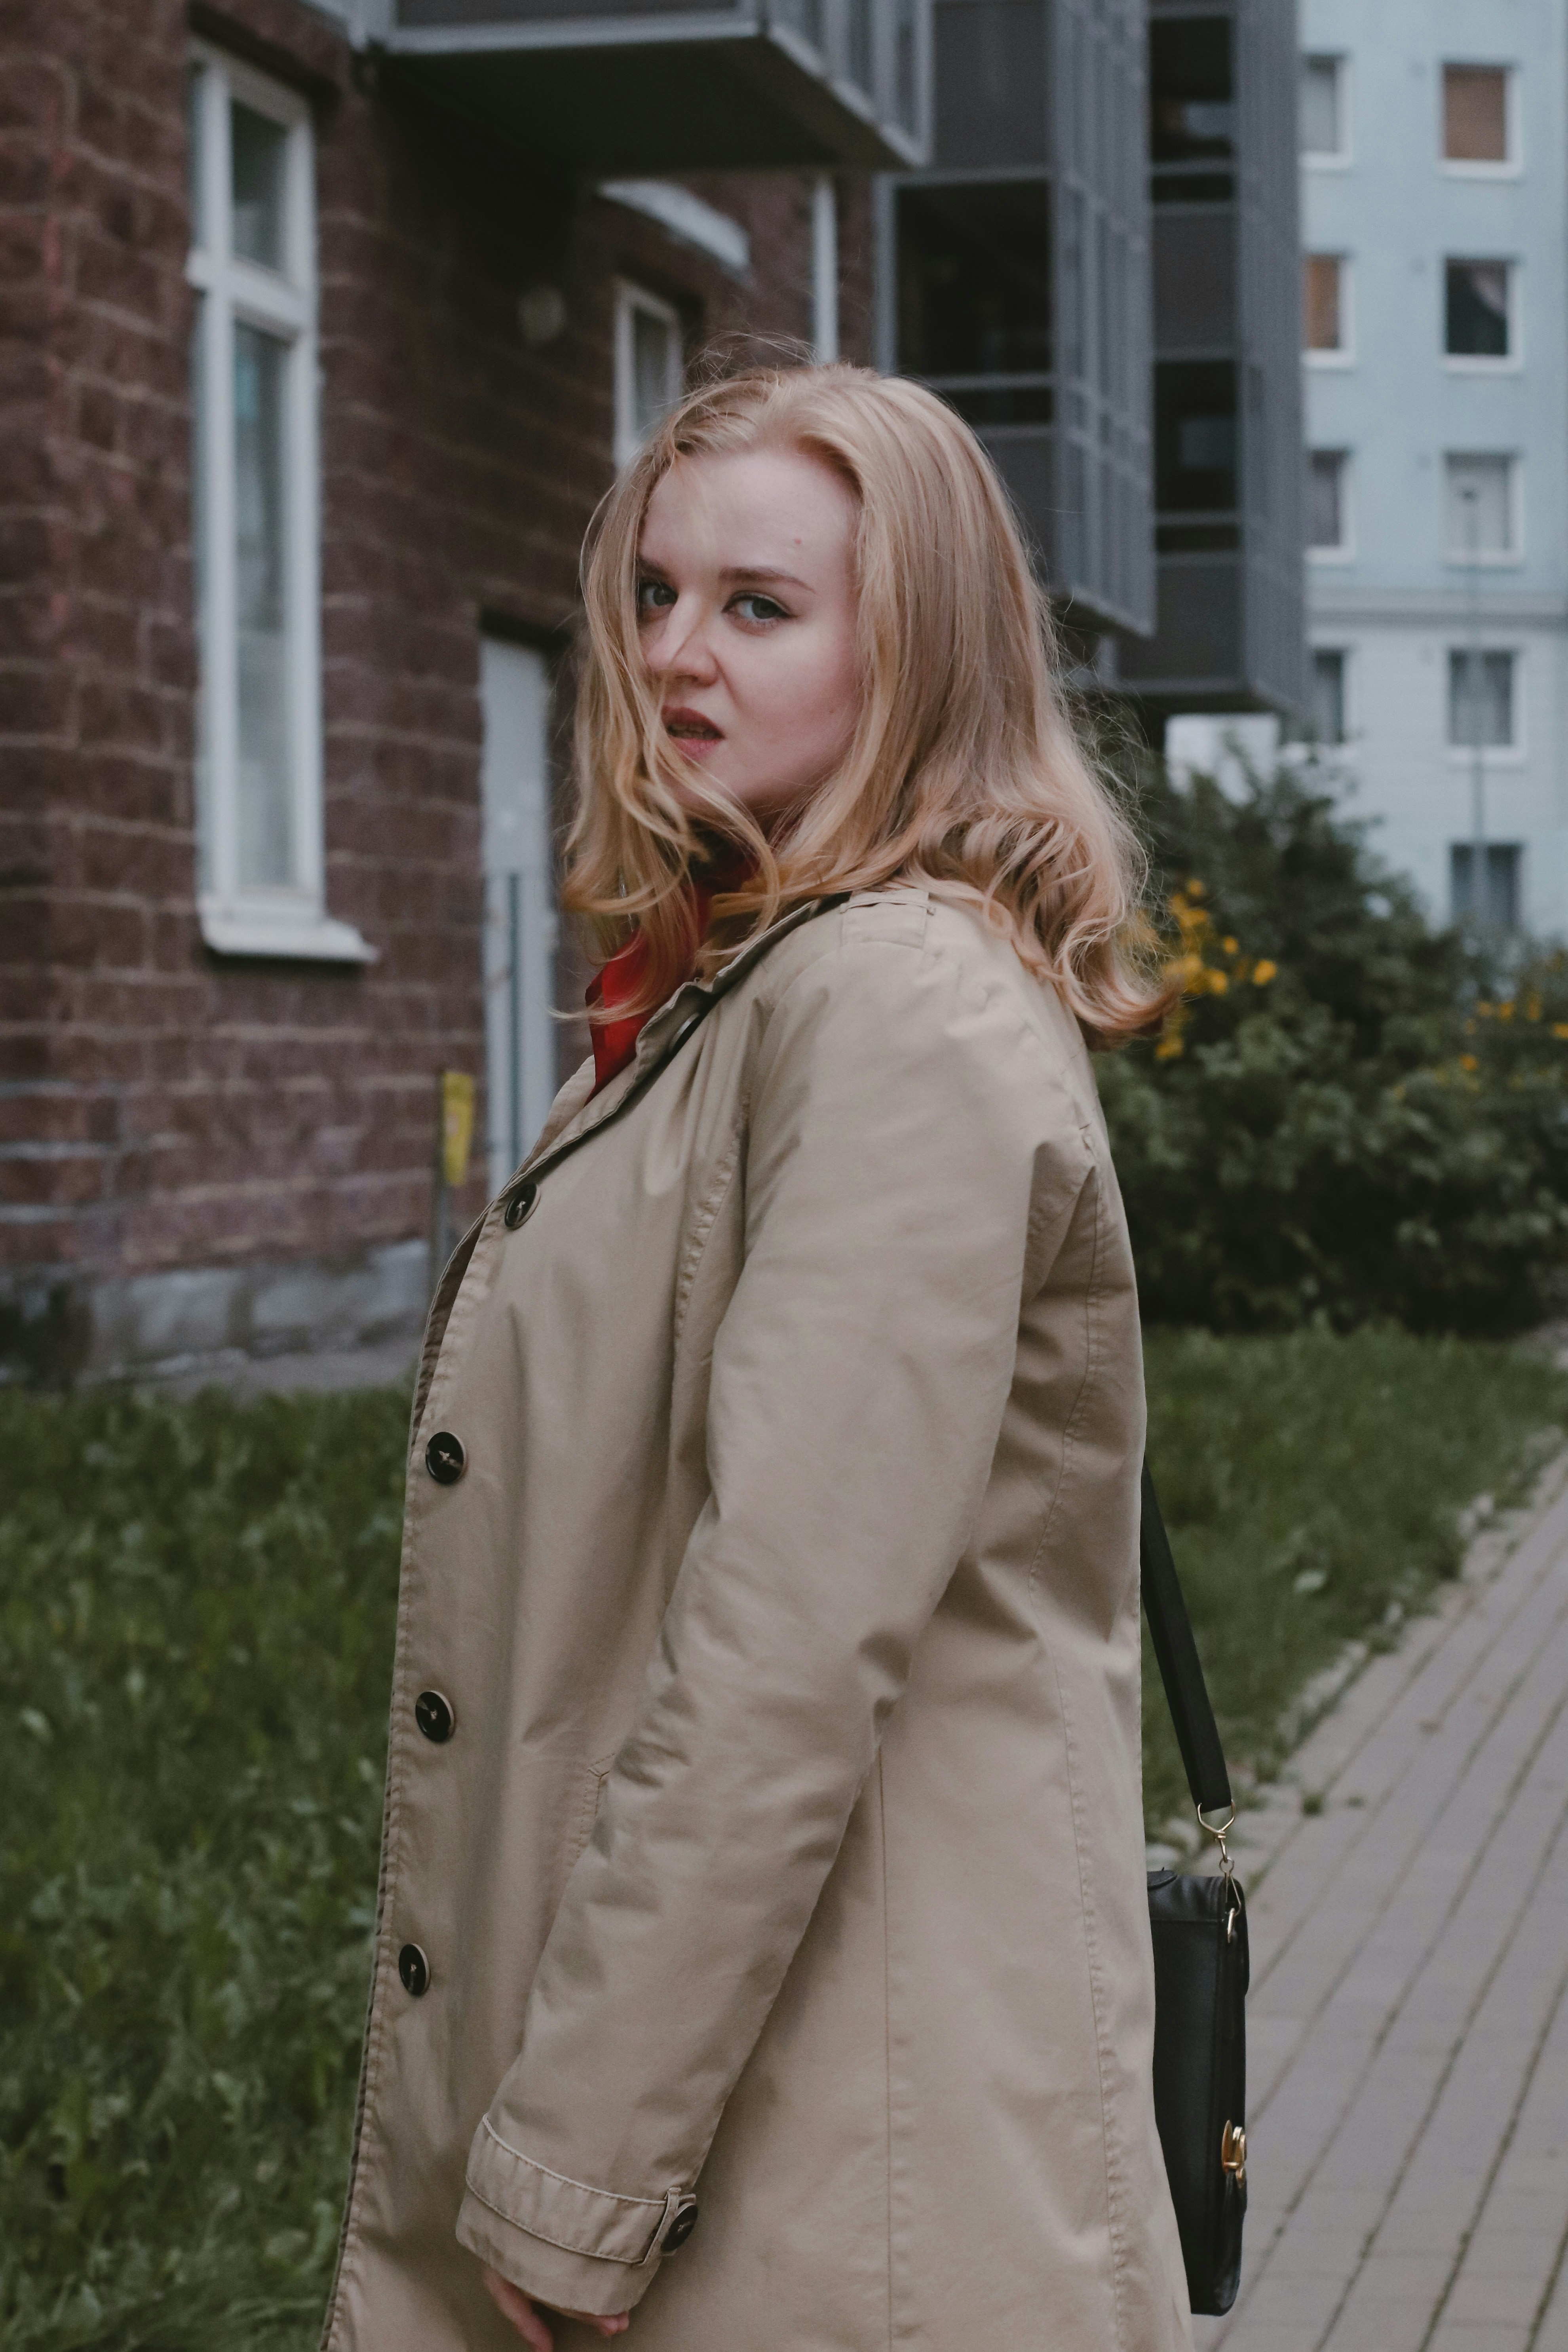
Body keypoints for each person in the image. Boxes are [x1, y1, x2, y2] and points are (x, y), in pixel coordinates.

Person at [320, 361, 1191, 2352]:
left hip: (829, 2179)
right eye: (652, 592)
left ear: (921, 646)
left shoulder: (889, 1009)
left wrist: (571, 2174)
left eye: (759, 605)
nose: (671, 656)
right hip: (762, 2126)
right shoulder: (745, 988)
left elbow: (786, 1647)